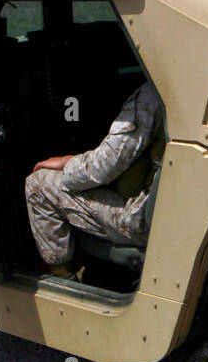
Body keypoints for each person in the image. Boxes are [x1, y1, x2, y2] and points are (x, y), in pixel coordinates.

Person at [24, 83, 163, 279]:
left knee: (38, 185)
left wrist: (66, 162)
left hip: (145, 220)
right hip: (178, 217)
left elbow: (104, 166)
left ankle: (65, 282)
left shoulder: (153, 95)